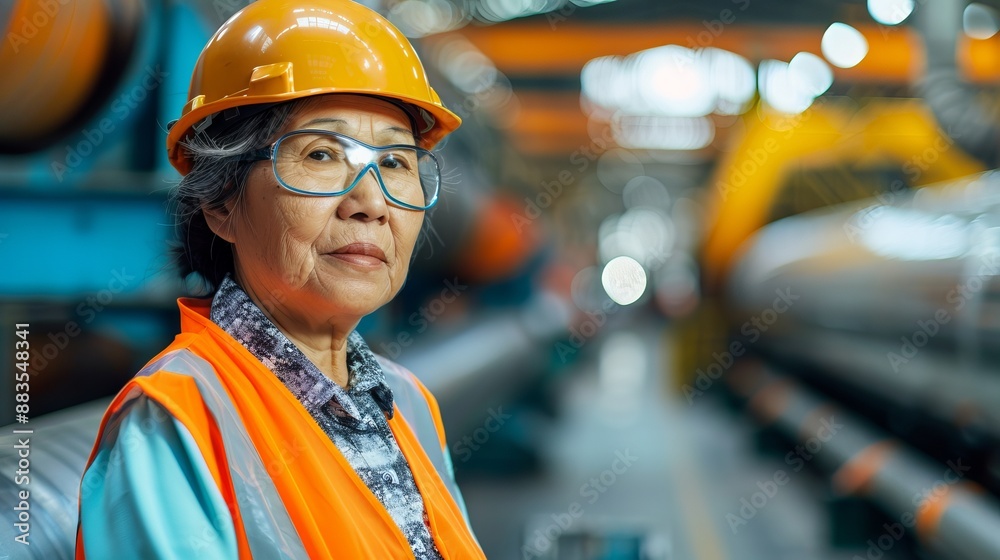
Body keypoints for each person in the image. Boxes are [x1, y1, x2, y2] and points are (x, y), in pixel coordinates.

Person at [74, 0, 484, 558]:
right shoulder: (173, 422)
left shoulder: (408, 403)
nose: (370, 203)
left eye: (395, 163)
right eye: (320, 154)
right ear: (221, 202)